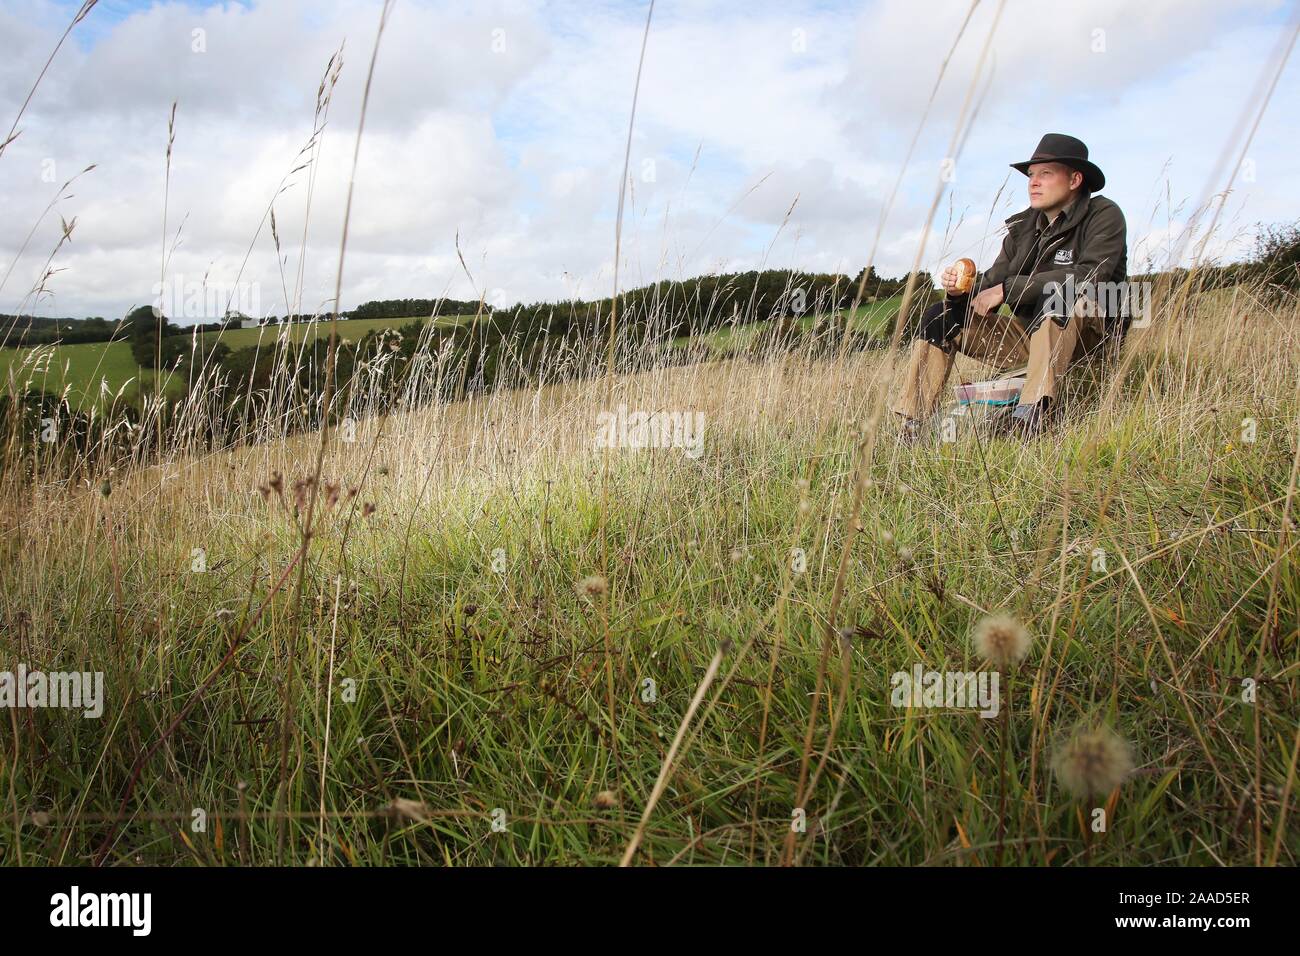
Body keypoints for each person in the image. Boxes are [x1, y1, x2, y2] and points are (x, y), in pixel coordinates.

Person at [892, 133, 1129, 439]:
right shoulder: (1023, 228)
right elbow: (990, 283)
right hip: (1029, 337)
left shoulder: (1104, 214)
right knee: (941, 316)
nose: (1034, 182)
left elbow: (1091, 275)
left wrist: (1008, 289)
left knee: (1061, 298)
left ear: (1074, 180)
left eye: (1046, 173)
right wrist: (959, 292)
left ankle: (1029, 418)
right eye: (1031, 175)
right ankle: (912, 426)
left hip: (1087, 337)